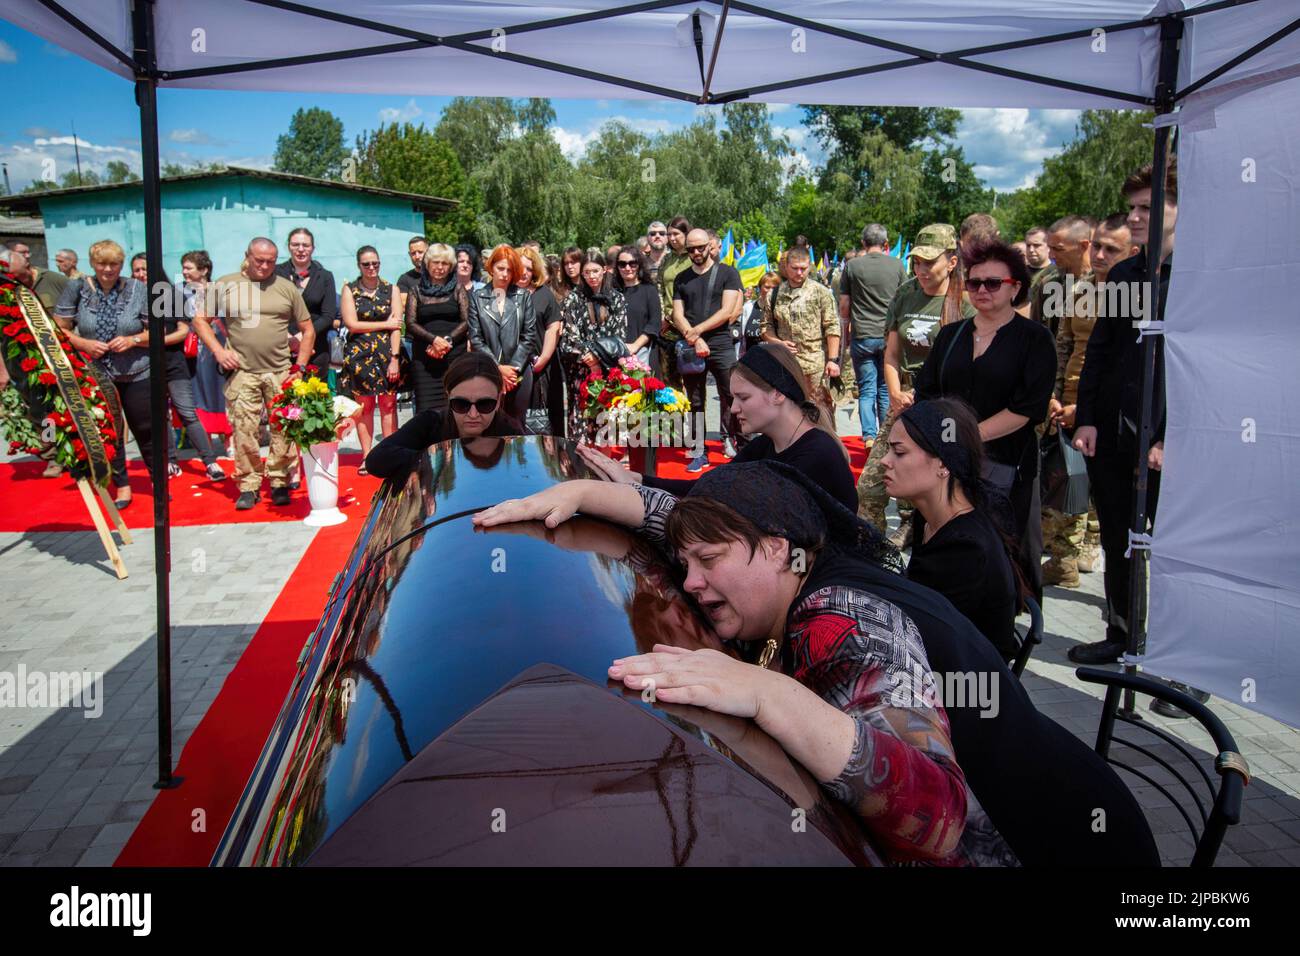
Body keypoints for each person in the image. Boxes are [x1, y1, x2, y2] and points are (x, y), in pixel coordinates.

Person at [474, 460, 1160, 868]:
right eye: (684, 566)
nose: (691, 583)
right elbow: (674, 516)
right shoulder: (801, 557)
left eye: (707, 564)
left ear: (778, 549)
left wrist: (770, 694)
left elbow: (938, 813)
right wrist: (581, 496)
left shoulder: (846, 619)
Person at [1070, 162, 1183, 690]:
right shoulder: (1125, 275)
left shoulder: (1201, 277)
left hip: (1174, 444)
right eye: (1133, 208)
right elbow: (1101, 350)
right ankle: (1122, 631)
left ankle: (1182, 657)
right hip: (1115, 436)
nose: (1135, 218)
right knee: (1118, 537)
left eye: (1147, 207)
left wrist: (1171, 436)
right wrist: (1088, 417)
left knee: (1175, 549)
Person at [914, 240, 1057, 602]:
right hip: (945, 462)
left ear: (1015, 287)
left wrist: (967, 436)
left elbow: (1028, 408)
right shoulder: (951, 334)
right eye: (974, 282)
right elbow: (928, 392)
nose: (980, 290)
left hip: (1005, 464)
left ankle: (998, 632)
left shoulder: (1035, 338)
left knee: (997, 551)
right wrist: (940, 438)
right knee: (943, 546)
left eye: (992, 283)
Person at [579, 342, 857, 511]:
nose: (734, 409)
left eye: (743, 397)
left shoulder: (816, 454)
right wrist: (635, 479)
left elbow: (731, 503)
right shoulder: (768, 443)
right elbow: (709, 484)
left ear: (778, 393)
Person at [858, 224, 974, 543]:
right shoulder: (906, 293)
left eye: (929, 262)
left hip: (944, 405)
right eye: (917, 262)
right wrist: (894, 393)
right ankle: (871, 551)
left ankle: (917, 530)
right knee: (870, 487)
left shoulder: (965, 301)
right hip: (905, 401)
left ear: (951, 262)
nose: (921, 270)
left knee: (933, 485)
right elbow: (892, 354)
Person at [883, 399, 1023, 660]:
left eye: (899, 452)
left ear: (943, 464)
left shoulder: (964, 547)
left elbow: (917, 636)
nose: (885, 461)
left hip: (967, 689)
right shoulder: (931, 517)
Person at [193, 236, 315, 511]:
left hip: (280, 371)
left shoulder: (286, 287)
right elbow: (200, 320)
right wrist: (218, 352)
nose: (264, 266)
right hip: (242, 373)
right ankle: (248, 484)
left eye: (270, 261)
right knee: (244, 430)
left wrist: (301, 368)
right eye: (259, 260)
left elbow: (308, 329)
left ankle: (279, 481)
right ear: (247, 256)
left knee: (283, 429)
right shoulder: (225, 284)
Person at [51, 239, 154, 509]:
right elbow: (58, 327)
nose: (108, 269)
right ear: (92, 263)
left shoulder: (138, 288)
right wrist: (82, 343)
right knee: (110, 429)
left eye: (114, 264)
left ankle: (158, 481)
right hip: (95, 371)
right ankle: (122, 486)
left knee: (146, 428)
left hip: (136, 370)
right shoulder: (76, 288)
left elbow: (157, 330)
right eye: (102, 263)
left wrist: (132, 340)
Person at [1036, 215, 1096, 587]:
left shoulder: (1113, 287)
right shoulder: (1052, 285)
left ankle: (1083, 548)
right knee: (1063, 472)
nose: (1051, 254)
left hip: (1093, 401)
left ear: (1083, 245)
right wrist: (1053, 394)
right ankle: (1062, 554)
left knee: (1083, 477)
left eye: (1059, 248)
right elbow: (1058, 343)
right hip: (1062, 397)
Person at [365, 351, 526, 478]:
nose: (473, 413)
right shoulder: (430, 422)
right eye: (461, 404)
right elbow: (376, 460)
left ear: (498, 400)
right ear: (449, 396)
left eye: (485, 404)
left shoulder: (511, 432)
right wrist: (434, 460)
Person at [672, 228, 743, 470]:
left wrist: (697, 331)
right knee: (695, 400)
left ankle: (740, 444)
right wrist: (694, 338)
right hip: (691, 345)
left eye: (700, 247)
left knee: (733, 395)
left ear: (710, 245)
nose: (696, 252)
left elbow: (727, 311)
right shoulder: (681, 278)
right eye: (690, 249)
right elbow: (677, 314)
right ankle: (698, 450)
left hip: (721, 343)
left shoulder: (728, 273)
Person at [840, 224, 907, 442]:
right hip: (890, 336)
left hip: (863, 334)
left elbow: (844, 304)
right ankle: (884, 435)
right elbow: (906, 300)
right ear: (886, 244)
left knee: (867, 389)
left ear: (863, 243)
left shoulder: (852, 266)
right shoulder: (897, 265)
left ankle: (869, 436)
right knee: (885, 388)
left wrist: (846, 331)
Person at [339, 246, 403, 469]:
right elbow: (352, 324)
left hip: (387, 354)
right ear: (359, 266)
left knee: (388, 404)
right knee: (364, 406)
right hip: (360, 354)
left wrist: (395, 358)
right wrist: (385, 323)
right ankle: (368, 456)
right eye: (366, 264)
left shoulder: (391, 289)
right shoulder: (350, 290)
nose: (371, 267)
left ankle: (389, 454)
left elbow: (398, 327)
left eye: (375, 263)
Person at [166, 251, 226, 481]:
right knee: (195, 399)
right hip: (189, 353)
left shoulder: (217, 290)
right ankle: (207, 449)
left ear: (204, 270)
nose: (184, 272)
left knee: (219, 395)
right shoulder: (176, 292)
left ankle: (226, 444)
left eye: (189, 267)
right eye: (183, 267)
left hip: (215, 349)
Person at [762, 245, 840, 425]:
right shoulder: (774, 294)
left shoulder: (820, 292)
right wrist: (777, 342)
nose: (799, 272)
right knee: (787, 410)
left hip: (815, 365)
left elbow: (832, 327)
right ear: (786, 267)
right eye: (795, 268)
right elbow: (766, 327)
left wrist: (833, 360)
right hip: (786, 363)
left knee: (821, 411)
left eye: (803, 268)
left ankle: (827, 448)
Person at [559, 251, 627, 440]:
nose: (592, 276)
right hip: (581, 368)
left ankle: (605, 466)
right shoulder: (573, 299)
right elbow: (569, 335)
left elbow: (619, 335)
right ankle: (579, 467)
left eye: (596, 271)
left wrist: (598, 358)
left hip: (607, 367)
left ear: (604, 270)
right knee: (581, 421)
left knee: (606, 425)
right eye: (587, 272)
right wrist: (589, 359)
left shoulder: (617, 298)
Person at [468, 244, 537, 422]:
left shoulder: (523, 296)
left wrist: (512, 370)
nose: (505, 274)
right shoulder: (478, 297)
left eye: (509, 269)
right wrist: (498, 368)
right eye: (500, 268)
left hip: (518, 373)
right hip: (488, 370)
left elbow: (529, 336)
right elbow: (476, 338)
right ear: (491, 267)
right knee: (489, 424)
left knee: (517, 427)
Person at [405, 242, 469, 416]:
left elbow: (466, 321)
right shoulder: (415, 291)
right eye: (436, 262)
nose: (440, 267)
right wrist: (434, 340)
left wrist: (446, 341)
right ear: (427, 263)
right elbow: (410, 323)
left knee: (456, 406)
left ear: (451, 267)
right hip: (425, 358)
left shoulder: (458, 290)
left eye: (445, 263)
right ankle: (430, 445)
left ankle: (455, 443)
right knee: (427, 411)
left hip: (454, 356)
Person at [274, 228, 338, 372]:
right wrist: (288, 338)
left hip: (316, 348)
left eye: (306, 245)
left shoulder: (325, 276)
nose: (301, 249)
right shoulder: (275, 273)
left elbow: (328, 316)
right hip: (280, 347)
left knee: (312, 394)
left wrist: (303, 336)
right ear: (288, 246)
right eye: (295, 245)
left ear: (313, 248)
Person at [518, 245, 564, 435]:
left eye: (529, 268)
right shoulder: (502, 292)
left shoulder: (543, 294)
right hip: (510, 371)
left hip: (541, 368)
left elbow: (553, 328)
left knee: (543, 426)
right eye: (520, 267)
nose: (524, 272)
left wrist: (543, 358)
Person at [655, 216, 693, 388]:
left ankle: (695, 416)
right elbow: (659, 288)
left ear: (686, 233)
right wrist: (663, 315)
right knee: (670, 378)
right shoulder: (666, 259)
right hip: (669, 325)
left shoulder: (695, 256)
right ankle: (676, 415)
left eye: (676, 234)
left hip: (692, 324)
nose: (671, 238)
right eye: (669, 234)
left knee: (693, 379)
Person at [612, 246, 661, 366]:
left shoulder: (649, 290)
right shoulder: (612, 292)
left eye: (632, 264)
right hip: (616, 354)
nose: (627, 268)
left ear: (639, 265)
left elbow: (654, 323)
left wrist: (635, 345)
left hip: (643, 352)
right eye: (622, 264)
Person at [4, 240, 68, 312]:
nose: (27, 256)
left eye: (28, 252)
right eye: (22, 253)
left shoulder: (51, 278)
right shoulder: (5, 284)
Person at [396, 234, 429, 302]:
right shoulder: (404, 280)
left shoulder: (439, 275)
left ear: (428, 251)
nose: (417, 257)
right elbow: (404, 306)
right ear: (409, 254)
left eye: (420, 252)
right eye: (413, 253)